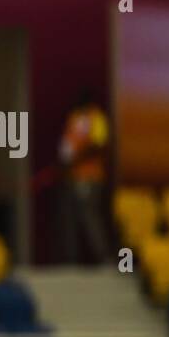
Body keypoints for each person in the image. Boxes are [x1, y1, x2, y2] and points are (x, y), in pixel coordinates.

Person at [58, 90, 110, 264]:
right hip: (72, 176)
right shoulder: (74, 116)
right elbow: (67, 143)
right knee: (69, 218)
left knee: (90, 216)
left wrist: (78, 158)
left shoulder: (97, 118)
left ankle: (102, 257)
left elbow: (99, 144)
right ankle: (69, 260)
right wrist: (66, 160)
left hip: (91, 176)